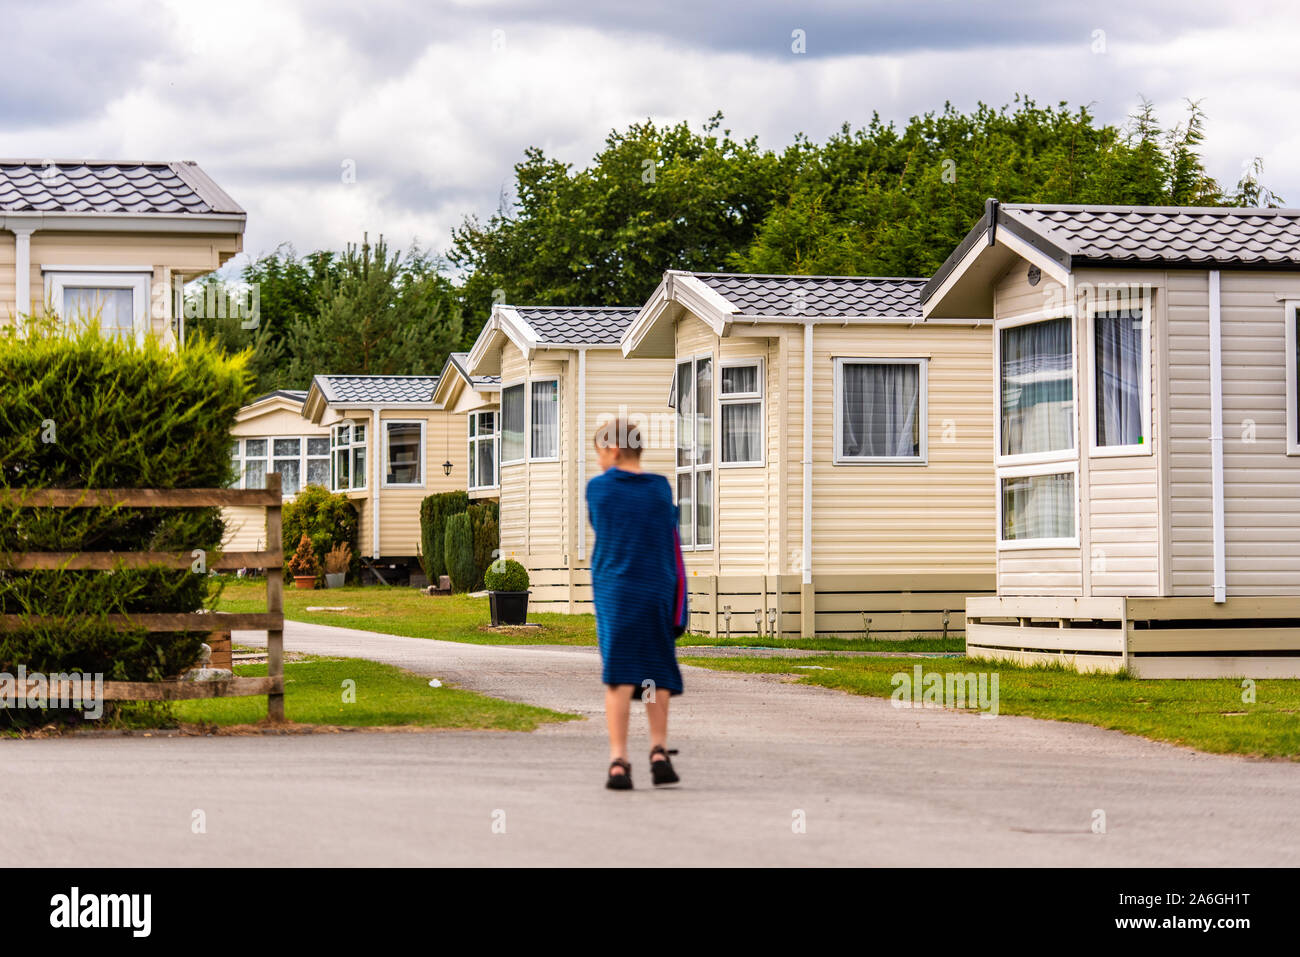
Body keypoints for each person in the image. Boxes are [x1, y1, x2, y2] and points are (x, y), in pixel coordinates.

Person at [586, 416, 686, 790]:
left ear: (613, 449)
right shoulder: (660, 489)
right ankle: (658, 751)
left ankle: (618, 760)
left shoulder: (599, 490)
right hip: (657, 590)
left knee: (619, 676)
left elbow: (602, 525)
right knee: (652, 673)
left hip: (617, 591)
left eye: (599, 453)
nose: (597, 461)